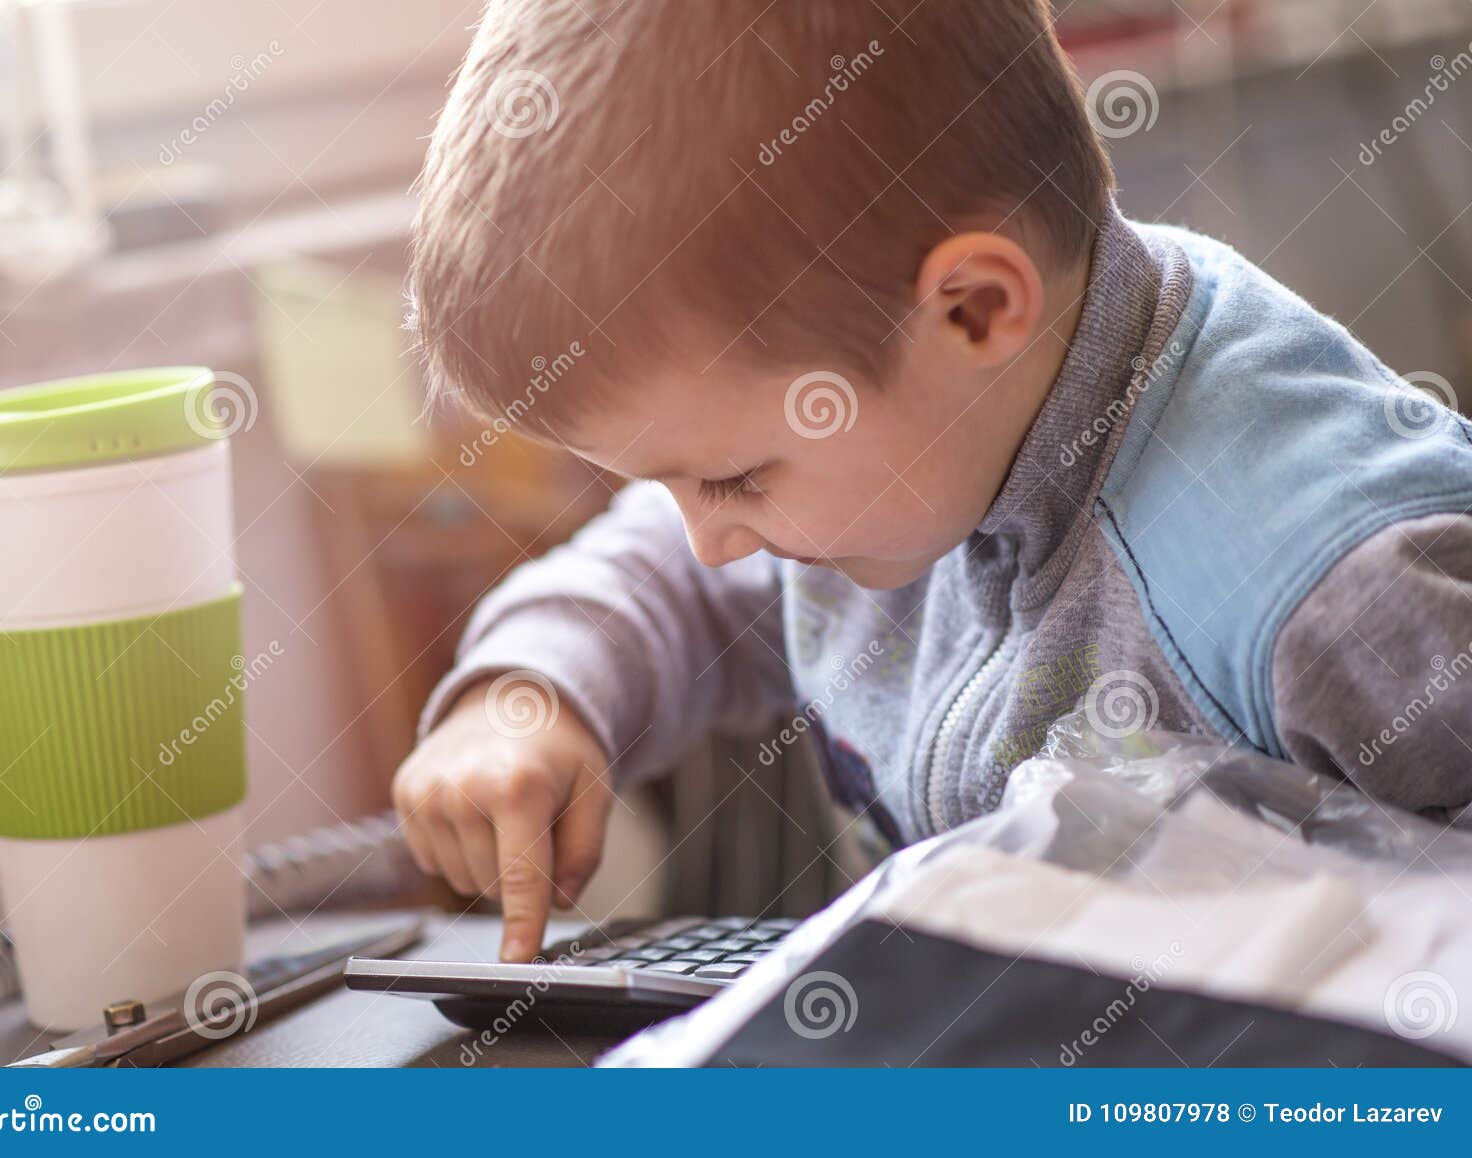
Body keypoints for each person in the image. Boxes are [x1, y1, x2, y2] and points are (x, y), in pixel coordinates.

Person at [394, 0, 1472, 962]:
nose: (709, 538)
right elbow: (658, 579)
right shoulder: (918, 441)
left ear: (972, 309)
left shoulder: (1337, 582)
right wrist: (525, 695)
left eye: (731, 477)